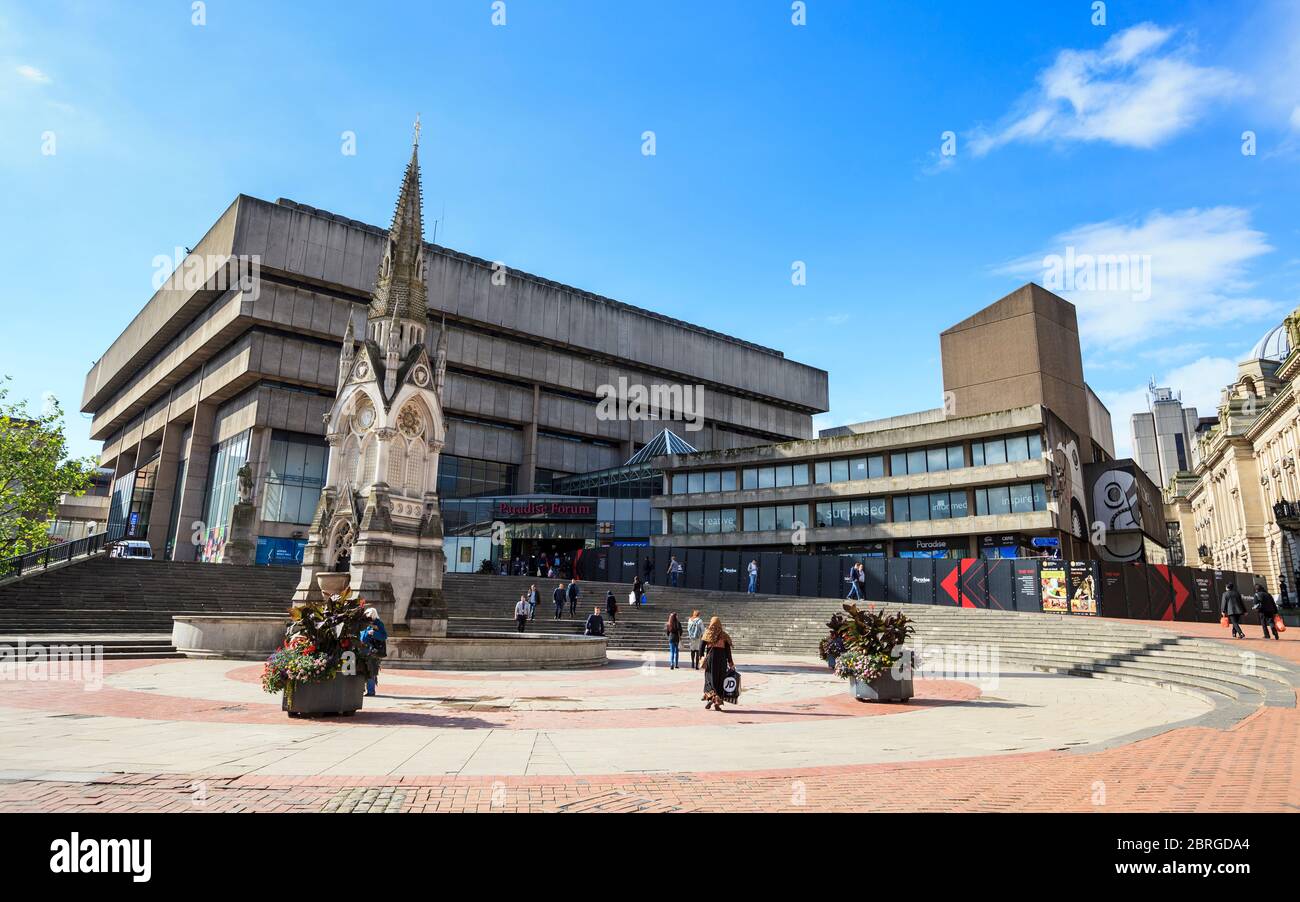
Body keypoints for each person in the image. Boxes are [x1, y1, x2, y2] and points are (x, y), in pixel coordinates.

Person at [700, 616, 735, 711]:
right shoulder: (724, 635)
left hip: (711, 659)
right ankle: (717, 702)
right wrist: (731, 662)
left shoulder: (707, 634)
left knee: (709, 678)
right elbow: (728, 651)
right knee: (720, 679)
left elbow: (701, 647)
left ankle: (710, 698)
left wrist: (701, 657)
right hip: (722, 660)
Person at [359, 607, 387, 697]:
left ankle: (371, 691)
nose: (366, 616)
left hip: (372, 651)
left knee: (371, 670)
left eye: (368, 615)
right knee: (361, 670)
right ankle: (361, 689)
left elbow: (384, 636)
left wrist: (374, 633)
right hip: (362, 649)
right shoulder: (364, 623)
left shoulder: (378, 623)